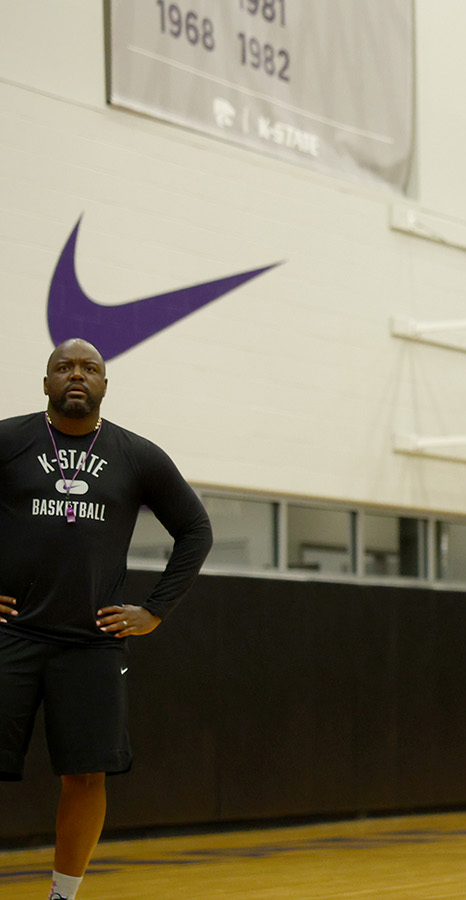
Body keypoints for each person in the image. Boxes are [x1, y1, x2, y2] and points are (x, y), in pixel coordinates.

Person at [0, 339, 213, 900]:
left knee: (86, 774)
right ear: (45, 382)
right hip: (10, 634)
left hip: (90, 644)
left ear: (104, 384)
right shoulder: (8, 440)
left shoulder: (136, 455)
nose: (76, 375)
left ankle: (62, 895)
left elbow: (196, 530)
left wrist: (156, 609)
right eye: (63, 368)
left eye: (88, 368)